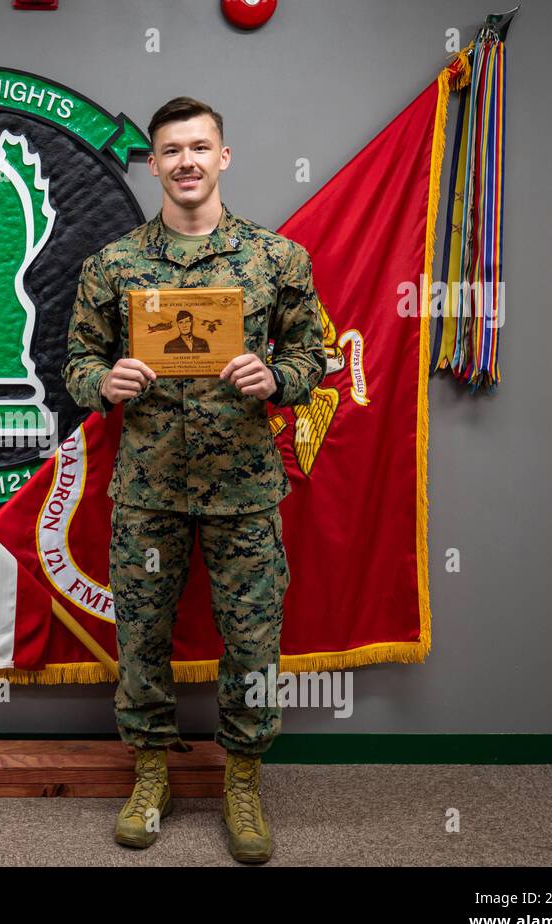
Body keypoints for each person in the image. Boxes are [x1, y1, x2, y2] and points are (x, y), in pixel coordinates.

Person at [62, 96, 326, 863]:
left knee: (253, 643)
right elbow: (76, 364)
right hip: (148, 493)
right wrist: (103, 382)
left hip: (244, 491)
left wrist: (275, 374)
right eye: (171, 150)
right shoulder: (112, 265)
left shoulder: (278, 260)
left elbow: (316, 357)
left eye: (199, 147)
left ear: (223, 157)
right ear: (154, 164)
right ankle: (151, 776)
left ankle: (241, 782)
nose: (186, 161)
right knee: (142, 640)